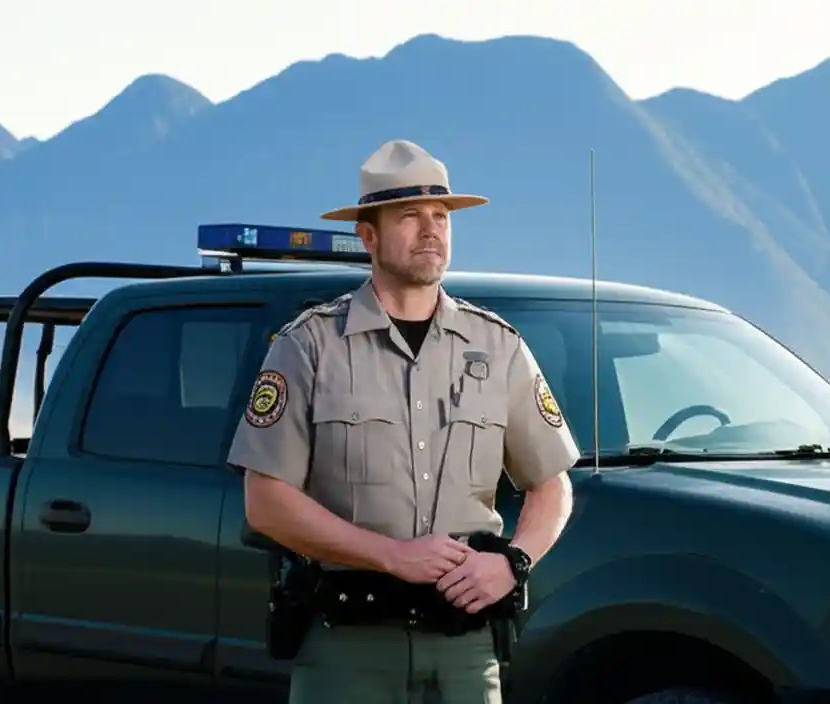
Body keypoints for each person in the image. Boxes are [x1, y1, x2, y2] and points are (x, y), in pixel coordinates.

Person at [227, 139, 579, 703]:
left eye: (440, 217)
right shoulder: (310, 346)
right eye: (409, 216)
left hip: (465, 648)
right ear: (368, 236)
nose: (431, 230)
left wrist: (514, 563)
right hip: (348, 647)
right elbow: (265, 500)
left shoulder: (499, 347)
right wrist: (390, 554)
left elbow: (552, 484)